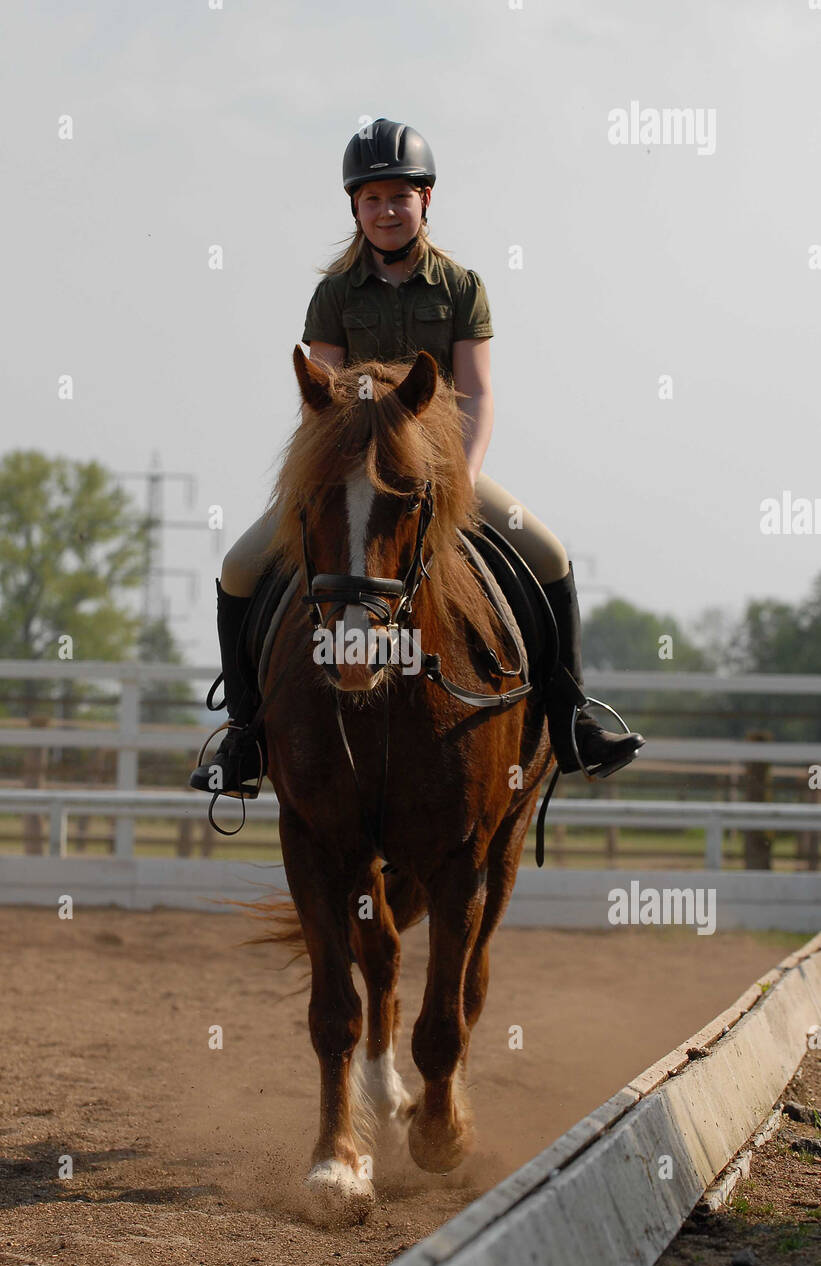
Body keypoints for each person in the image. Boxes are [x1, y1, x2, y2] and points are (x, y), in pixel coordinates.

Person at [202, 118, 643, 798]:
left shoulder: (461, 287)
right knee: (237, 568)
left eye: (399, 197)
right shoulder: (333, 294)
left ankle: (571, 720)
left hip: (438, 473)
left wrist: (459, 482)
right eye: (371, 198)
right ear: (354, 207)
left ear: (425, 201)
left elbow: (478, 393)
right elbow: (319, 397)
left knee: (549, 556)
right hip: (350, 474)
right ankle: (242, 738)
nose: (385, 210)